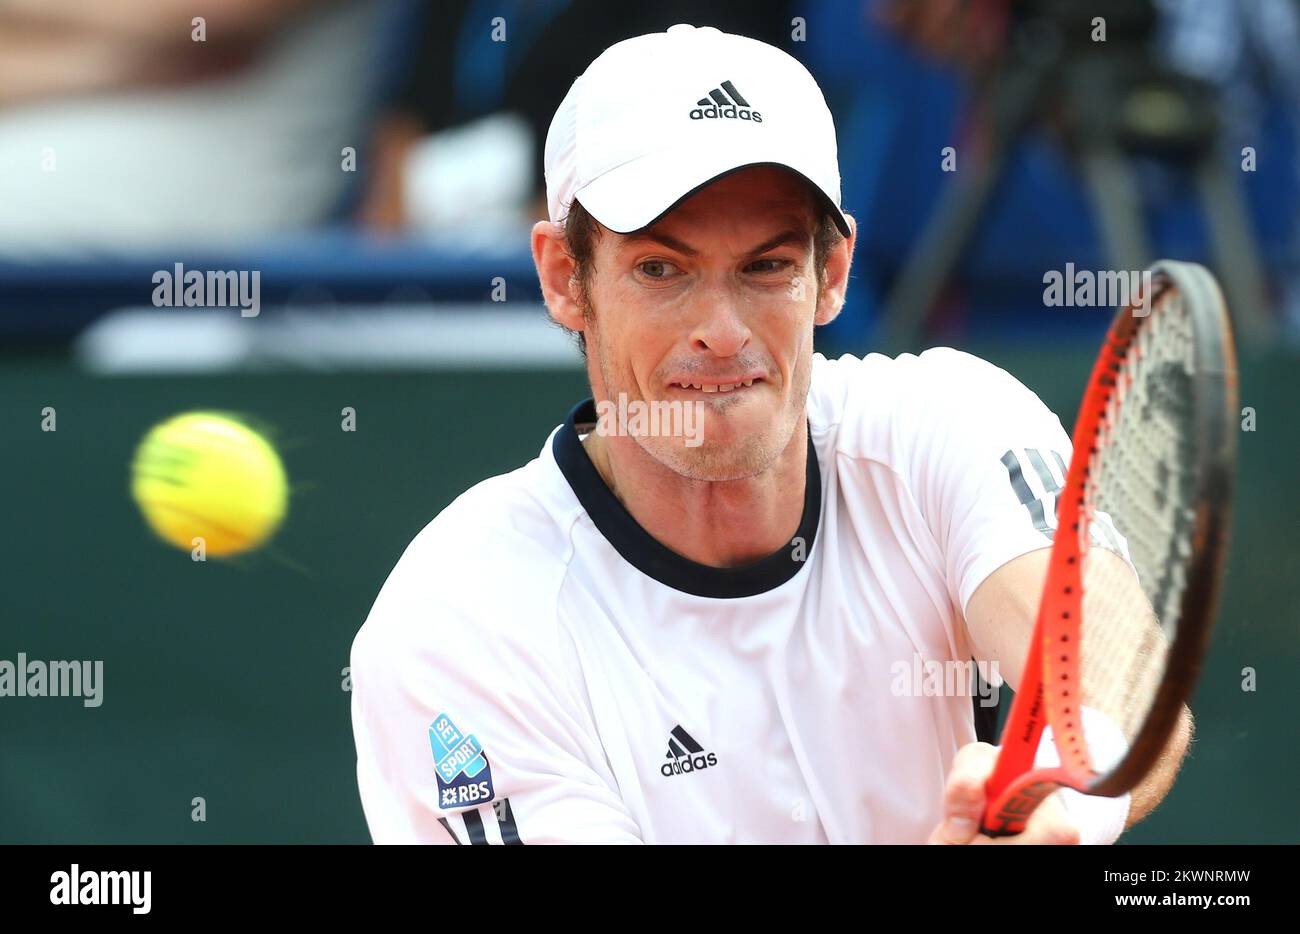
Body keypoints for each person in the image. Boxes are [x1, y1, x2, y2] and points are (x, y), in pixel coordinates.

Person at [350, 24, 1187, 844]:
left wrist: (1057, 799)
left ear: (832, 275)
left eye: (767, 266)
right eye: (660, 269)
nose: (721, 329)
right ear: (566, 280)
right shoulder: (456, 624)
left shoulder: (946, 420)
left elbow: (1113, 677)